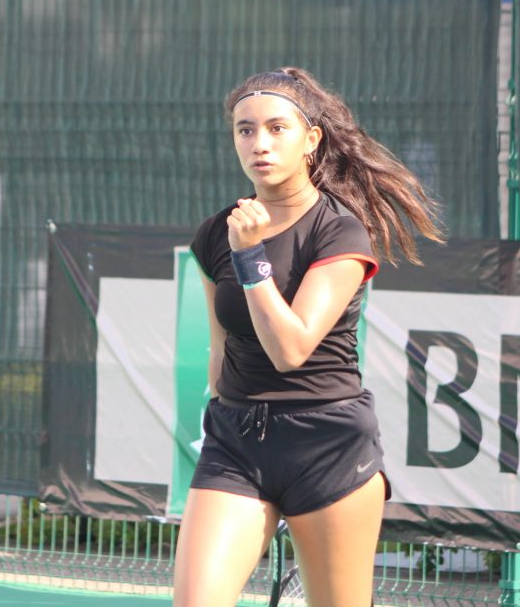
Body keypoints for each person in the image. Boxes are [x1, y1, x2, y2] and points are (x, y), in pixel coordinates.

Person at [173, 67, 443, 607]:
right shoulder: (215, 231)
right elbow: (223, 346)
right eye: (245, 130)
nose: (259, 143)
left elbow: (290, 349)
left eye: (277, 128)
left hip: (327, 446)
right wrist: (218, 418)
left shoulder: (340, 230)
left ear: (311, 139)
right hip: (235, 441)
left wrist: (251, 256)